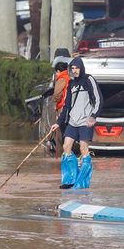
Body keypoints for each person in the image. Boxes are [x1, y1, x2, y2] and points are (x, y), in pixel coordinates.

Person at [49, 56, 100, 189]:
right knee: (66, 148)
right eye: (72, 68)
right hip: (72, 121)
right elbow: (66, 106)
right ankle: (70, 179)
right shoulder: (71, 84)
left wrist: (93, 116)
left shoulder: (89, 80)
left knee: (84, 150)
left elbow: (98, 99)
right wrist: (59, 123)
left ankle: (82, 182)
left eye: (77, 68)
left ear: (81, 68)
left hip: (85, 122)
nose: (75, 70)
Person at [40, 48, 71, 154]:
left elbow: (57, 93)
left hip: (61, 107)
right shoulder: (70, 73)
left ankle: (61, 149)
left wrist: (54, 102)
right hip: (71, 107)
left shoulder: (61, 78)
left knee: (58, 128)